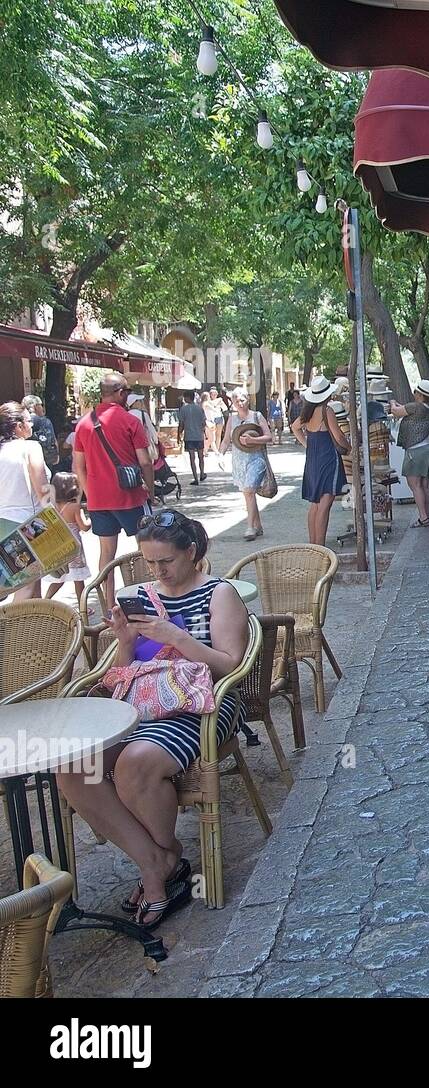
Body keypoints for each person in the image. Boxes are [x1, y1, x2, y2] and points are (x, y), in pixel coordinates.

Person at [55, 511, 249, 930]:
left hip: (203, 705)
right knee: (73, 768)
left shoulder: (219, 594)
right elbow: (127, 671)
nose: (157, 571)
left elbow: (230, 666)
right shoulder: (141, 595)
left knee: (134, 762)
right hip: (143, 703)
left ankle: (155, 874)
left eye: (166, 562)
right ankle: (158, 861)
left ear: (191, 552)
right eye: (150, 562)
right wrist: (126, 643)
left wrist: (176, 636)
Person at [72, 375, 154, 601]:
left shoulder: (83, 423)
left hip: (99, 501)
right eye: (126, 392)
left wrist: (90, 494)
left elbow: (79, 467)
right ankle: (151, 598)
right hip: (130, 497)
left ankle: (108, 605)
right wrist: (151, 491)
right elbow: (145, 461)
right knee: (147, 548)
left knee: (106, 554)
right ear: (119, 393)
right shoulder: (130, 421)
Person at [291, 375, 350, 546]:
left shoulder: (307, 412)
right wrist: (350, 448)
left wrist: (307, 444)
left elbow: (295, 427)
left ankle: (313, 545)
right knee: (325, 502)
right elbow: (338, 435)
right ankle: (320, 545)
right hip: (328, 458)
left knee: (315, 504)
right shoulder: (327, 411)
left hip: (313, 459)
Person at [0, 402, 51, 600]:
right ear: (18, 426)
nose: (32, 425)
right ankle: (17, 630)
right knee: (26, 587)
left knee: (29, 584)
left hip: (3, 522)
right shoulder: (30, 447)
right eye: (29, 421)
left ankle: (35, 630)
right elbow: (43, 490)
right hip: (27, 524)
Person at [220, 390, 272, 542]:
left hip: (256, 459)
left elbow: (269, 437)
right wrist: (220, 455)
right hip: (239, 461)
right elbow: (225, 440)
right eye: (236, 401)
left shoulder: (257, 416)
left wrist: (253, 441)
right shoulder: (231, 418)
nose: (240, 403)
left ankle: (250, 527)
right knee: (248, 494)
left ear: (248, 400)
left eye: (242, 400)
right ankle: (258, 525)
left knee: (249, 490)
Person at [390, 378, 429, 527]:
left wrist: (392, 402)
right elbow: (404, 408)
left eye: (416, 391)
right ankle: (427, 515)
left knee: (415, 485)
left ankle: (423, 517)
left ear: (420, 395)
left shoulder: (416, 407)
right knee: (426, 484)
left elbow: (396, 411)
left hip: (415, 451)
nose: (414, 393)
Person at [44, 472, 92, 604]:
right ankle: (82, 606)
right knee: (78, 578)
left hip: (59, 544)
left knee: (60, 576)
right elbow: (84, 527)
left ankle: (46, 599)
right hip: (73, 545)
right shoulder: (74, 507)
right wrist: (90, 519)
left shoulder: (52, 507)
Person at [21, 395, 58, 471]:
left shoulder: (22, 422)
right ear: (35, 406)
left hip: (27, 462)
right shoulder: (45, 421)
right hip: (47, 460)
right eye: (41, 405)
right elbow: (53, 439)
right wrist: (56, 455)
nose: (42, 408)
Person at [177, 390, 207, 484]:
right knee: (201, 457)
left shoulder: (183, 409)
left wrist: (179, 435)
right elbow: (203, 423)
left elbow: (181, 424)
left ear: (187, 397)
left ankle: (195, 478)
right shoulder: (199, 409)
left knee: (192, 458)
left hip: (189, 436)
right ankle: (202, 473)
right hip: (199, 436)